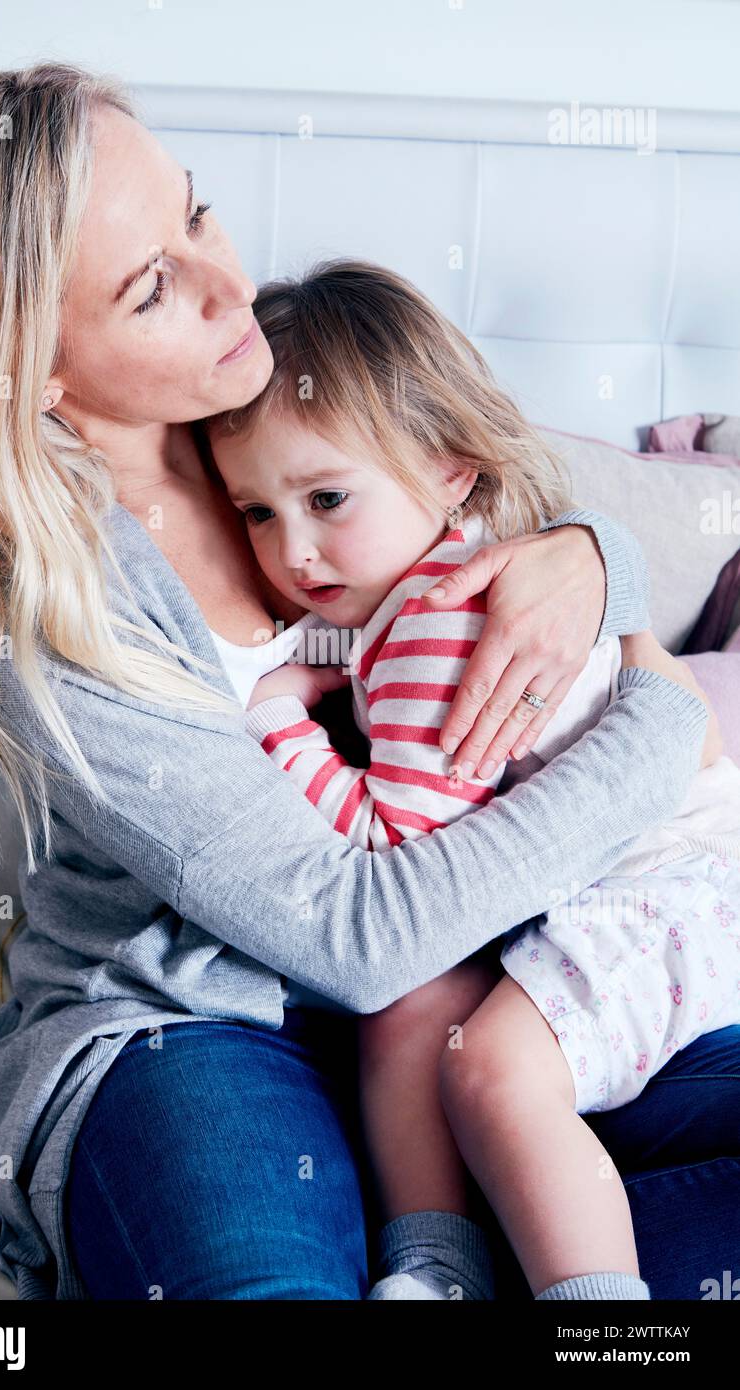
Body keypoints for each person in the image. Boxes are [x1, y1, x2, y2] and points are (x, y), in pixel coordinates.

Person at [0, 63, 724, 1301]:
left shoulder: (278, 394)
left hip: (495, 999)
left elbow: (484, 477)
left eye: (197, 212)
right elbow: (353, 936)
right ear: (31, 369)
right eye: (153, 285)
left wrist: (594, 563)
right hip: (200, 1028)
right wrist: (657, 727)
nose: (231, 287)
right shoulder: (49, 603)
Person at [204, 257, 740, 1301]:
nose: (294, 550)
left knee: (493, 1068)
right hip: (594, 884)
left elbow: (391, 845)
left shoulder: (434, 627)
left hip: (677, 882)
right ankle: (438, 1266)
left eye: (324, 497)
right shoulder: (423, 588)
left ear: (451, 469)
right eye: (256, 512)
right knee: (410, 1004)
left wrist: (279, 721)